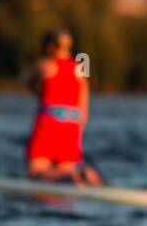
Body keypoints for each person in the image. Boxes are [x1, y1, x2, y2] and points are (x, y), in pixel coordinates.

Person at [23, 29, 102, 185]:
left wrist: (38, 93)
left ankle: (74, 177)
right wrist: (76, 137)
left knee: (35, 173)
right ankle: (83, 175)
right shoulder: (80, 71)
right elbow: (84, 110)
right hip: (71, 129)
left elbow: (26, 80)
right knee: (64, 169)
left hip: (48, 125)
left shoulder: (45, 65)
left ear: (51, 46)